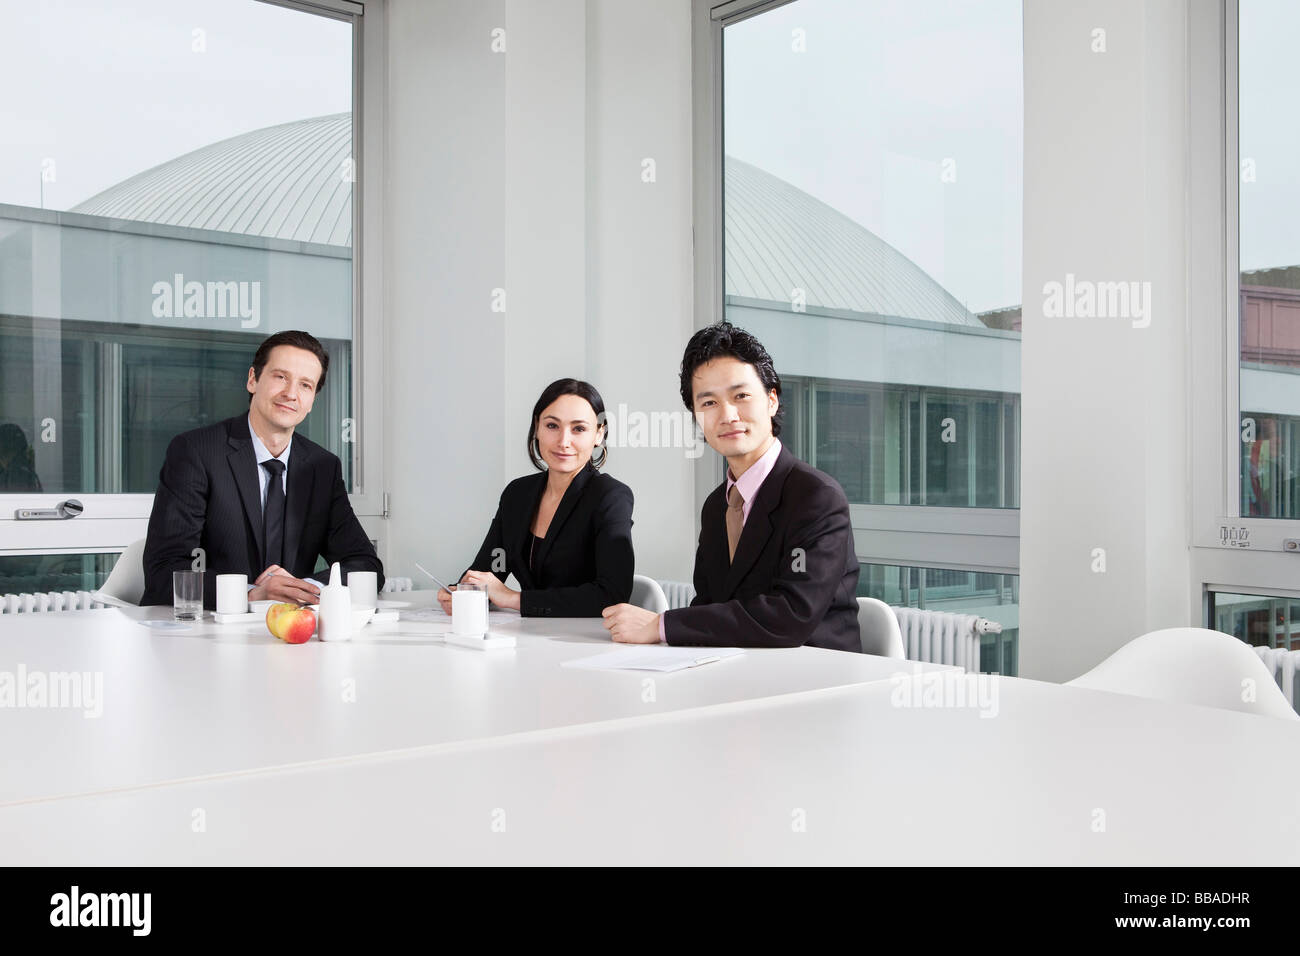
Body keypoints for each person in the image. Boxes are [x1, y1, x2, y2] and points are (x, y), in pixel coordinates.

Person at [601, 322, 860, 651]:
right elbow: (709, 605)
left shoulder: (817, 497)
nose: (728, 415)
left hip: (818, 677)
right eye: (708, 403)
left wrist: (660, 625)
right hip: (739, 673)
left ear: (771, 400)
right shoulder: (716, 506)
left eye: (741, 396)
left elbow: (790, 617)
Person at [141, 330, 383, 609]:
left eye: (305, 385)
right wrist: (250, 593)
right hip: (208, 630)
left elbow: (366, 566)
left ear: (312, 400)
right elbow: (164, 571)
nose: (290, 393)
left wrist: (304, 589)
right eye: (280, 377)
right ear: (253, 380)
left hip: (290, 633)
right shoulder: (197, 452)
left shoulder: (322, 467)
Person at [438, 379, 634, 617]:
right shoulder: (517, 494)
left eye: (579, 429)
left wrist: (514, 599)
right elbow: (491, 569)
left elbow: (611, 594)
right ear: (537, 428)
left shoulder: (610, 497)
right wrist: (462, 591)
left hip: (584, 640)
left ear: (599, 434)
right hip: (527, 637)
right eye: (552, 426)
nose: (563, 441)